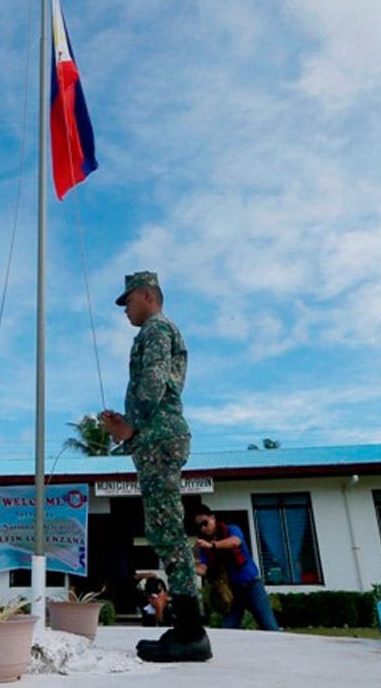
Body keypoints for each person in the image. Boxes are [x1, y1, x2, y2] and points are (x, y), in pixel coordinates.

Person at [100, 271, 212, 663]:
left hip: (160, 437)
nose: (126, 309)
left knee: (165, 530)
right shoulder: (159, 331)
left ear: (147, 295)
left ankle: (191, 633)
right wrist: (127, 429)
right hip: (157, 435)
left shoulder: (155, 330)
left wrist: (130, 425)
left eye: (128, 301)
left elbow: (152, 383)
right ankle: (185, 627)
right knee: (163, 527)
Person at [191, 503, 281, 631]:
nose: (203, 528)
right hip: (231, 591)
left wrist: (212, 545)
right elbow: (204, 569)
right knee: (228, 629)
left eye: (205, 523)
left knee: (269, 627)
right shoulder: (205, 547)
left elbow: (235, 542)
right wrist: (186, 567)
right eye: (199, 526)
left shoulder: (231, 529)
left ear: (213, 518)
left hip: (251, 586)